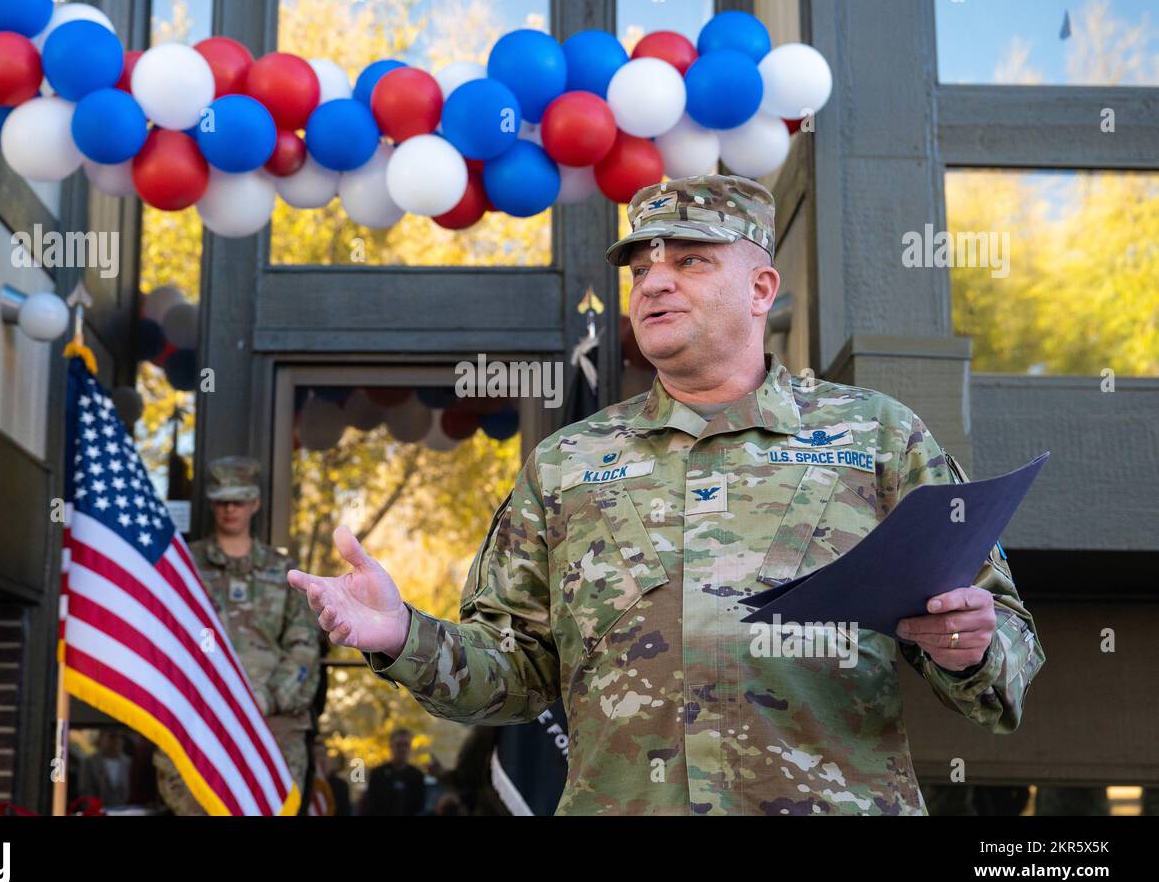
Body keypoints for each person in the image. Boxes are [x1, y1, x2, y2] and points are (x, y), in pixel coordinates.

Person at [288, 174, 1045, 816]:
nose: (654, 281)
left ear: (760, 288)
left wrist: (973, 644)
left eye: (689, 260)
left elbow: (1005, 662)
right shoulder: (567, 465)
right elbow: (516, 677)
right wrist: (401, 637)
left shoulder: (880, 437)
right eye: (640, 267)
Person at [154, 456, 323, 815]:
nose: (230, 509)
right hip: (201, 719)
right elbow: (167, 640)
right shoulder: (185, 566)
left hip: (272, 723)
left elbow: (303, 648)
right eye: (221, 501)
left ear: (255, 504)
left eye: (239, 501)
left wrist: (265, 698)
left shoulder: (283, 572)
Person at [358, 728, 426, 816]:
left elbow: (419, 806)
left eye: (406, 745)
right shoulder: (377, 774)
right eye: (398, 745)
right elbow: (372, 804)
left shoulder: (417, 775)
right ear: (391, 746)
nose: (402, 749)